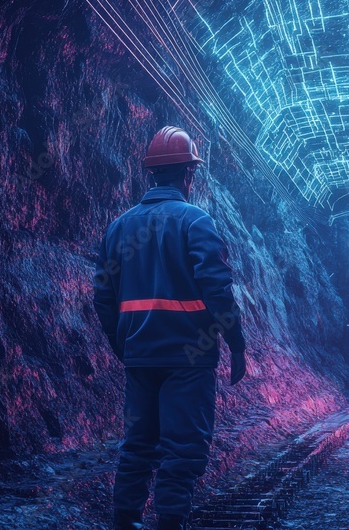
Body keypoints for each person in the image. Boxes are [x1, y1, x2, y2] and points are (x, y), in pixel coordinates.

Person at [92, 126, 248, 530]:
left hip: (140, 357)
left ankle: (124, 523)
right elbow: (218, 291)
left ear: (151, 174)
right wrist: (236, 343)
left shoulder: (118, 227)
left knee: (137, 447)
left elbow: (103, 298)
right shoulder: (195, 221)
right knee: (183, 450)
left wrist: (124, 345)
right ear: (188, 175)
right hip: (188, 360)